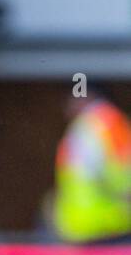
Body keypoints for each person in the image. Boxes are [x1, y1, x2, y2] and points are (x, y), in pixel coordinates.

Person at [53, 89, 131, 245]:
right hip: (97, 227)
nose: (68, 105)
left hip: (105, 228)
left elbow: (118, 171)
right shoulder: (93, 123)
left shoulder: (104, 123)